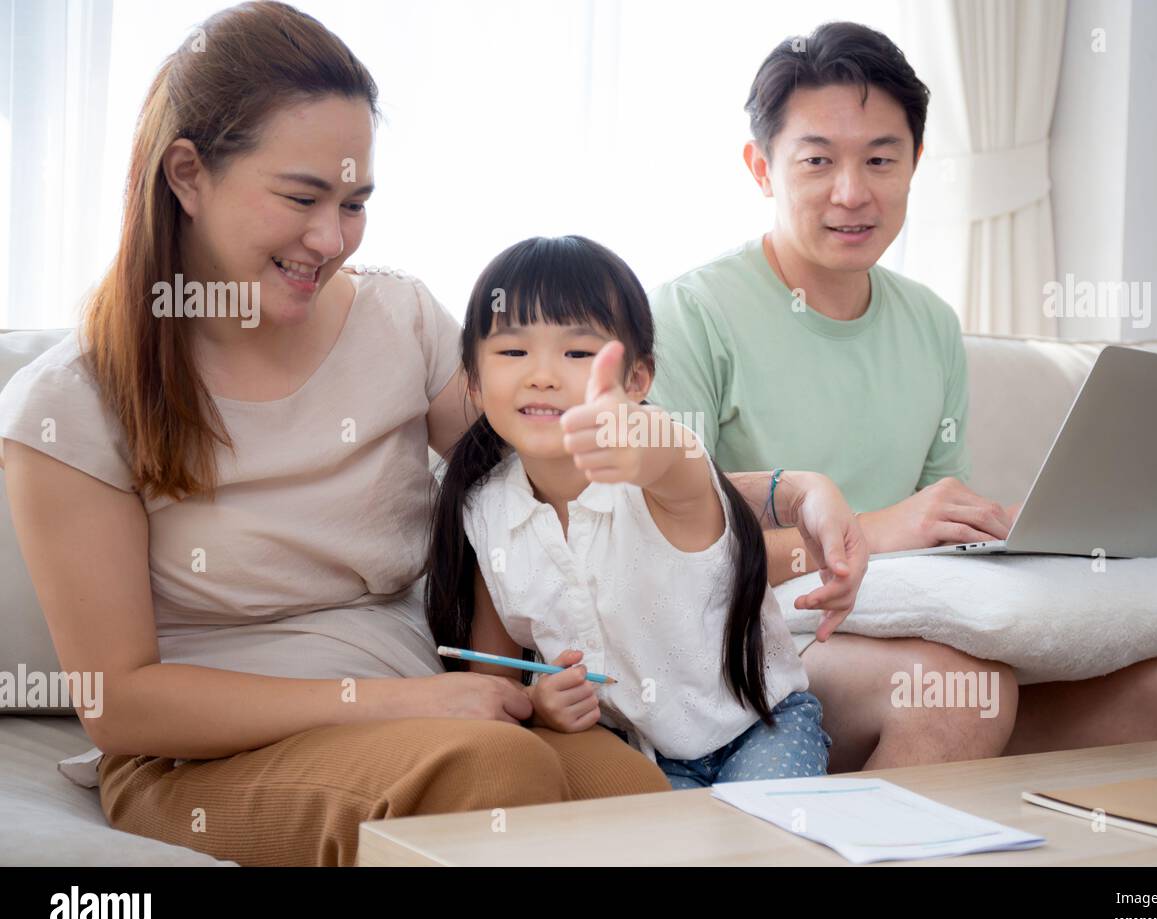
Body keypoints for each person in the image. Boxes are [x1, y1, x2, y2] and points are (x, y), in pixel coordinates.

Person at [0, 3, 866, 865]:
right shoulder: (69, 405)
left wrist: (798, 494)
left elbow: (578, 470)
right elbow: (119, 702)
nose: (331, 238)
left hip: (434, 706)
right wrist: (401, 705)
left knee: (643, 805)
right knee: (493, 777)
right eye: (302, 197)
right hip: (211, 757)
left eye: (354, 202)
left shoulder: (396, 319)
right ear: (186, 175)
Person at [648, 21, 1157, 773]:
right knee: (955, 690)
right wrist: (878, 531)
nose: (852, 193)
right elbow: (668, 558)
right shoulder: (689, 315)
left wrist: (1008, 535)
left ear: (916, 162)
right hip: (754, 643)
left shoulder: (927, 324)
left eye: (881, 159)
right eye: (818, 161)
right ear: (762, 167)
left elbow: (938, 542)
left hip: (897, 635)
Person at [426, 235, 832, 790]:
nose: (541, 375)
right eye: (513, 352)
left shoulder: (663, 472)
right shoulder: (485, 510)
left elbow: (671, 457)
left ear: (637, 380)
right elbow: (493, 680)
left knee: (768, 841)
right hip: (638, 758)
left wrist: (634, 434)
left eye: (577, 353)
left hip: (761, 728)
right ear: (473, 379)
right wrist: (538, 702)